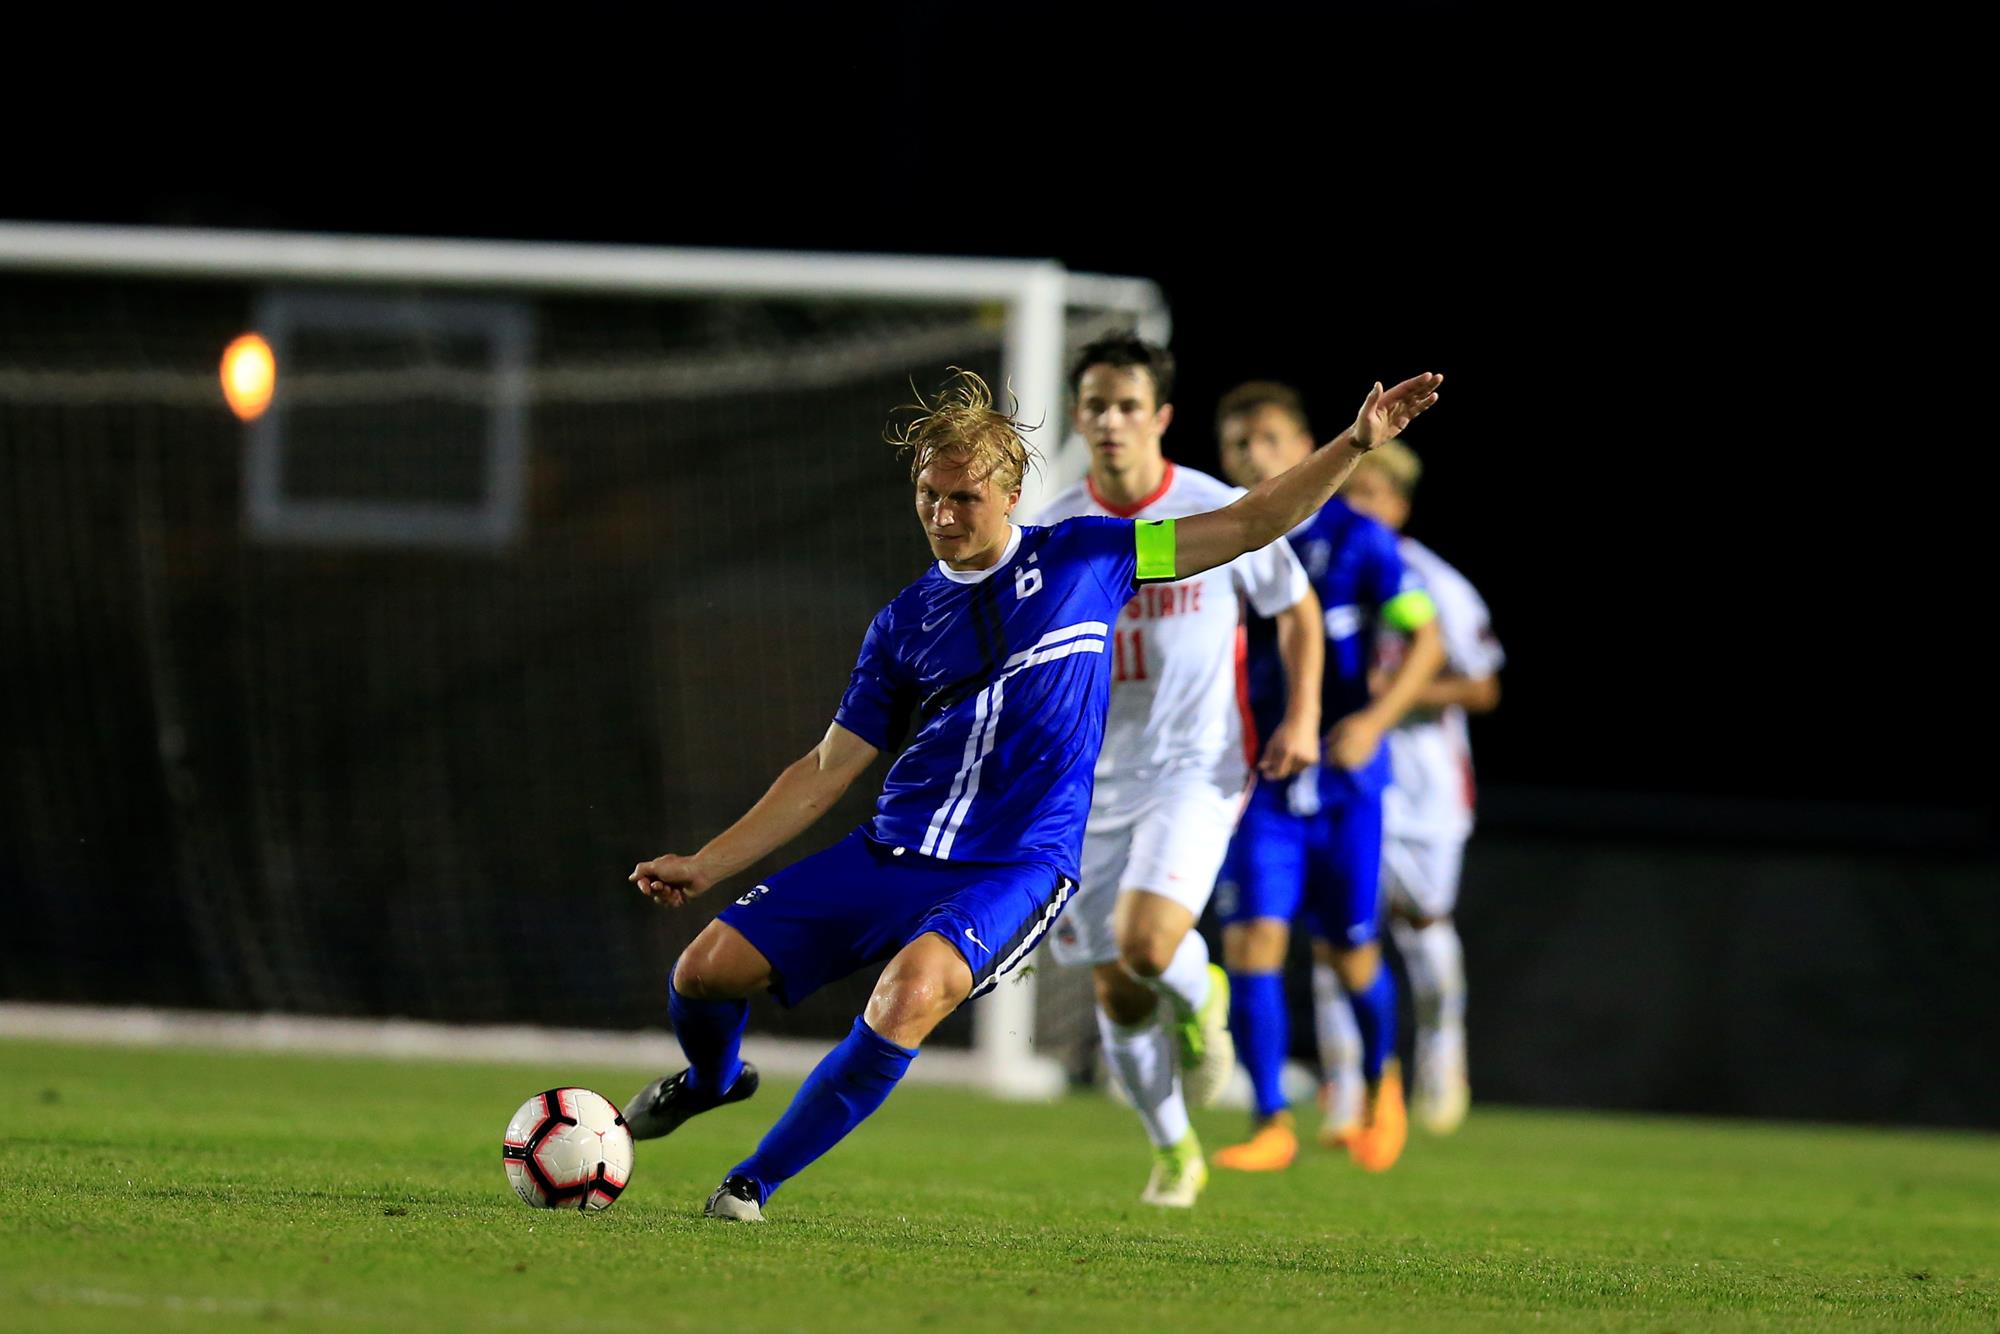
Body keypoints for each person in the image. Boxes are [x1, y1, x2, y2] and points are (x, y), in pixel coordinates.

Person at [625, 365, 1443, 1221]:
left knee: (908, 998)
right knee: (704, 971)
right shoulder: (903, 621)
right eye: (929, 496)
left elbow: (1249, 523)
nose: (944, 516)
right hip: (894, 849)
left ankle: (750, 1185)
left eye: (965, 498)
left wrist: (1354, 444)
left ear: (1014, 493)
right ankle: (712, 1080)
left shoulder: (1092, 556)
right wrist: (706, 862)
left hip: (1016, 865)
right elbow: (829, 766)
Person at [1029, 336, 1324, 1208]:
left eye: (1128, 406)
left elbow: (1296, 610)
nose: (1110, 422)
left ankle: (1204, 994)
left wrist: (1302, 714)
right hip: (1089, 781)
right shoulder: (1056, 527)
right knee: (1118, 990)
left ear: (1159, 416)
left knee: (1152, 944)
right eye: (1095, 406)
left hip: (1198, 764)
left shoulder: (1215, 507)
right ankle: (1176, 1151)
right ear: (1078, 417)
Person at [1211, 381, 1444, 1175]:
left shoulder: (1360, 539)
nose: (1252, 456)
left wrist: (1373, 722)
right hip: (1257, 780)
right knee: (1253, 941)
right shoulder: (1217, 539)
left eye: (1269, 439)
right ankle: (1270, 1117)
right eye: (1238, 444)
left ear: (1304, 441)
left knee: (1351, 952)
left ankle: (1385, 1087)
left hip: (1346, 782)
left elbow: (1426, 640)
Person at [1316, 440, 1503, 1136]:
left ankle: (1443, 1061)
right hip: (1344, 776)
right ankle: (1345, 1089)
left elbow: (1481, 684)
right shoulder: (1323, 570)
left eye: (1371, 496)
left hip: (1423, 787)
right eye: (1349, 494)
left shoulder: (1434, 583)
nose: (1358, 508)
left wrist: (1392, 695)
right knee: (1339, 931)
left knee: (1423, 927)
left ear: (1399, 506)